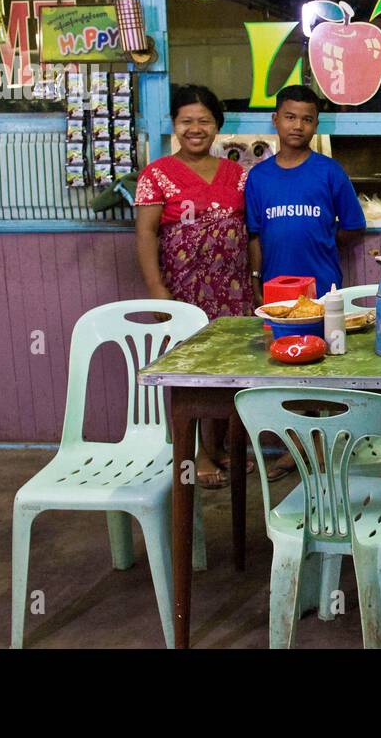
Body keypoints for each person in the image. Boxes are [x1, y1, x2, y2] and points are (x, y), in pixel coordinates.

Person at [135, 84, 260, 488]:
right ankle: (199, 453)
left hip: (234, 290)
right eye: (187, 120)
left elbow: (252, 234)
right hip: (185, 295)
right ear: (174, 124)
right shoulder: (156, 175)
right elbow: (145, 235)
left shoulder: (237, 175)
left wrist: (255, 283)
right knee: (194, 375)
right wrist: (156, 288)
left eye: (204, 120)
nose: (195, 128)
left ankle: (221, 446)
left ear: (217, 127)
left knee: (233, 372)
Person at [245, 85, 366, 298]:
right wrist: (255, 279)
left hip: (322, 289)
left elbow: (353, 227)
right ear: (276, 119)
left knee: (324, 333)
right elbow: (254, 235)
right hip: (274, 289)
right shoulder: (258, 177)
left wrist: (321, 238)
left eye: (307, 120)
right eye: (290, 117)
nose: (298, 126)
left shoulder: (330, 171)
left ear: (316, 125)